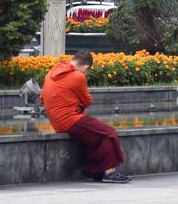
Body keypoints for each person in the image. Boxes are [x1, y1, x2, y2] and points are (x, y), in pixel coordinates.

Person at [41, 51, 130, 184]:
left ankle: (93, 170)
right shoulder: (78, 76)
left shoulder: (52, 72)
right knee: (109, 133)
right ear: (86, 67)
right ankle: (109, 173)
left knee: (97, 137)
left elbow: (42, 97)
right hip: (70, 119)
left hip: (56, 121)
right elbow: (87, 101)